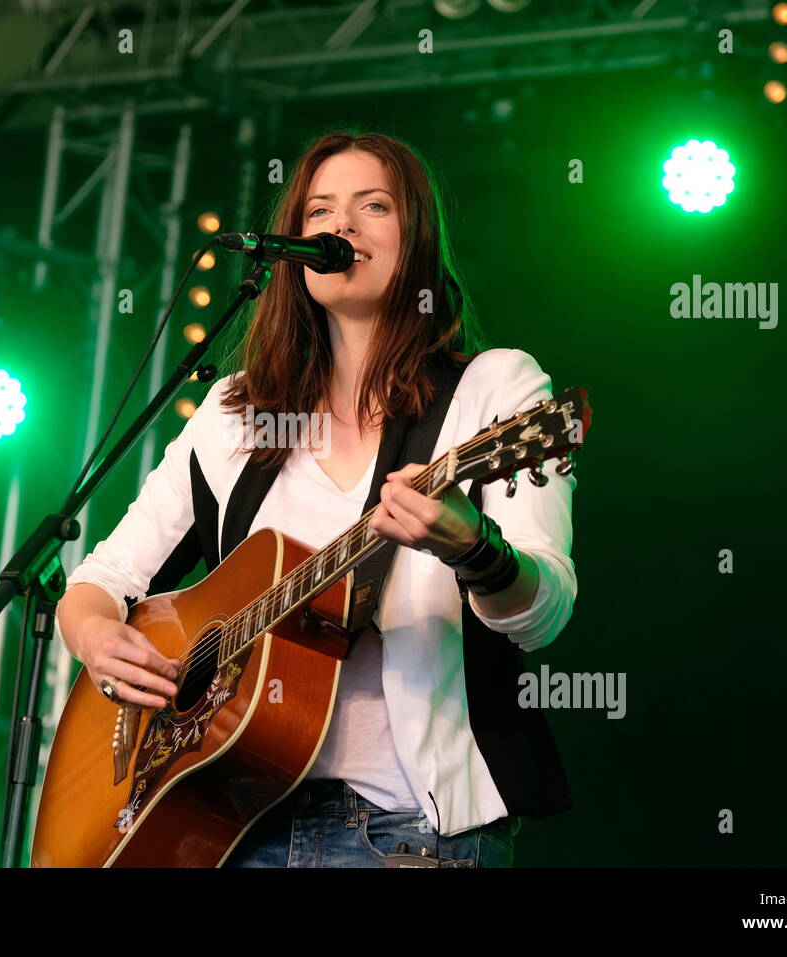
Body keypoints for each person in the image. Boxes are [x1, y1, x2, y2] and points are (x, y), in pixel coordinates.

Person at [56, 130, 577, 867]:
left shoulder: (495, 388)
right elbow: (100, 581)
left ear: (418, 239)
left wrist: (472, 547)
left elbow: (543, 612)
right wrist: (96, 641)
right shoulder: (235, 412)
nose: (343, 226)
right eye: (320, 211)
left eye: (374, 206)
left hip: (408, 833)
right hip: (229, 827)